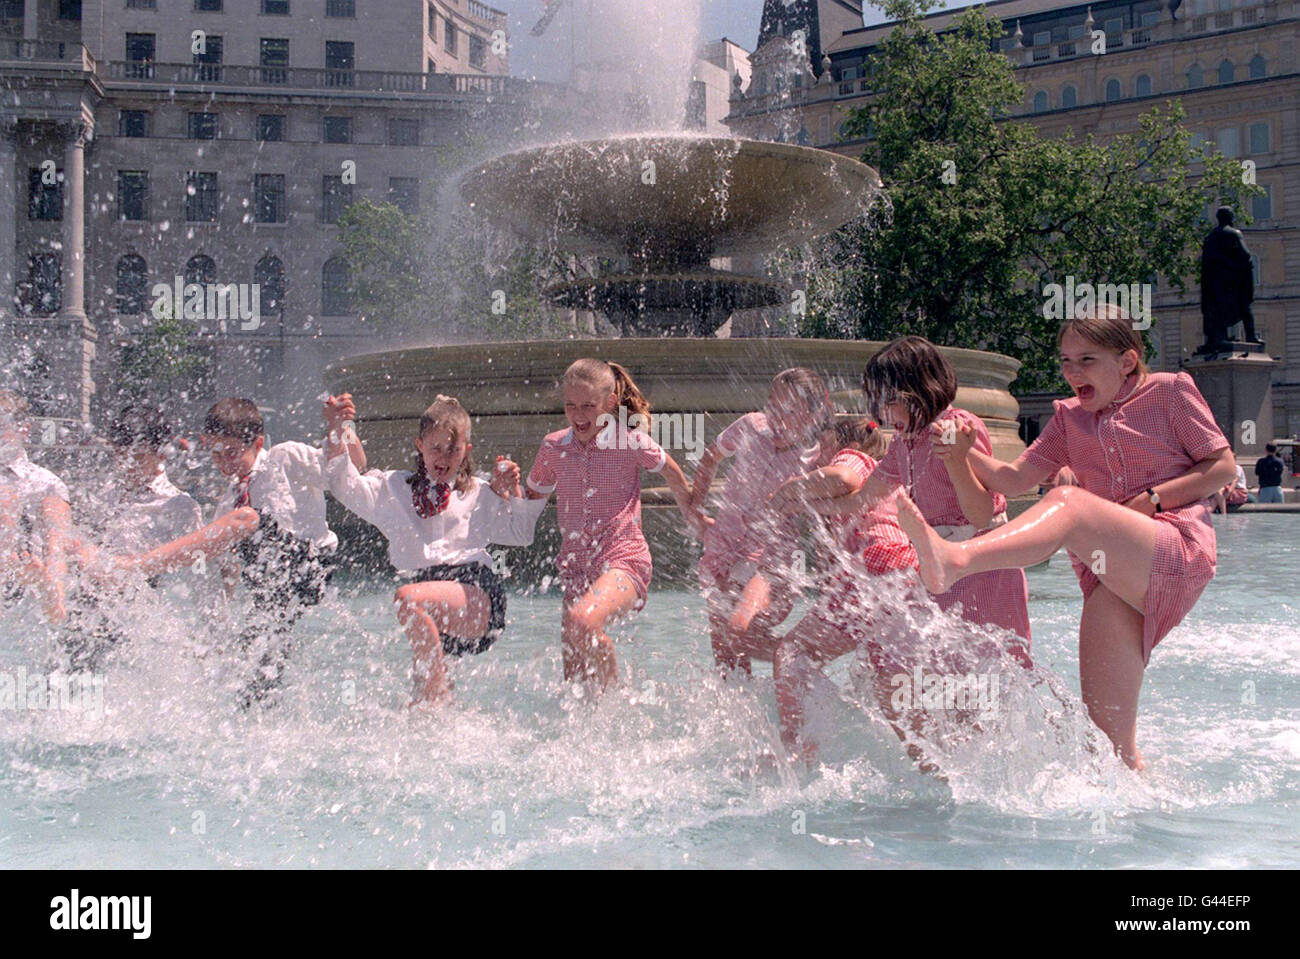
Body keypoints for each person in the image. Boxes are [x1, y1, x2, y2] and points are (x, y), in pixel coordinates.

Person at [891, 308, 1236, 770]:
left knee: (1068, 503)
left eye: (1087, 360)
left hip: (1175, 546)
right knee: (1109, 745)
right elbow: (1012, 480)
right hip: (1110, 577)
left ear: (1128, 361)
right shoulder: (1068, 419)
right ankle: (1143, 819)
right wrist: (962, 452)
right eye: (1066, 361)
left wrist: (1153, 499)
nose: (1072, 372)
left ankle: (956, 559)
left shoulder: (1171, 392)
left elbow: (1223, 468)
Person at [772, 336, 1032, 663]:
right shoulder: (903, 442)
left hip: (984, 568)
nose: (881, 414)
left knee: (988, 673)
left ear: (921, 389)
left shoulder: (955, 429)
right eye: (877, 403)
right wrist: (805, 504)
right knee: (915, 666)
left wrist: (956, 461)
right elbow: (863, 499)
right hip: (940, 566)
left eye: (888, 401)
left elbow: (981, 515)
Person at [324, 395, 546, 706]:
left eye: (453, 450)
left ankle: (437, 692)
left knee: (408, 600)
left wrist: (512, 491)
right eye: (436, 448)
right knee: (421, 710)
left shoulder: (478, 492)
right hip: (433, 601)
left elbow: (520, 534)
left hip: (475, 593)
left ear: (466, 450)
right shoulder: (393, 489)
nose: (444, 457)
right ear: (420, 444)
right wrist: (339, 429)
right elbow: (343, 484)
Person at [524, 358, 702, 694]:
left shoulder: (629, 441)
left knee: (582, 622)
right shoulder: (553, 447)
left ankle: (615, 705)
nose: (578, 415)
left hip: (624, 560)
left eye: (588, 406)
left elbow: (671, 471)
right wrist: (504, 486)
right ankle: (592, 728)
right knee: (574, 672)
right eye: (570, 405)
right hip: (577, 568)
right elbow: (532, 495)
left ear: (608, 404)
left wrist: (692, 515)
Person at [198, 394, 366, 707]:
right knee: (257, 641)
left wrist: (340, 426)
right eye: (216, 454)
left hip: (310, 564)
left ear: (258, 443)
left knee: (254, 523)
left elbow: (352, 467)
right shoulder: (227, 504)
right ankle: (258, 705)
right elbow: (226, 574)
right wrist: (213, 630)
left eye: (232, 453)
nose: (224, 463)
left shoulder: (284, 458)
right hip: (271, 584)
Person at [689, 368, 834, 674]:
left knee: (739, 627)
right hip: (724, 547)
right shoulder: (750, 427)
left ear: (812, 414)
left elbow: (829, 513)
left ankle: (799, 660)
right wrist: (695, 508)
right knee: (724, 648)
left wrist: (829, 571)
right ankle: (738, 710)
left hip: (770, 560)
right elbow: (710, 457)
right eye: (772, 405)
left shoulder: (814, 456)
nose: (776, 418)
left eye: (789, 410)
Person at [0, 389, 73, 623]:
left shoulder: (45, 484)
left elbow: (57, 545)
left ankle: (47, 592)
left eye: (2, 426)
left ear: (24, 429)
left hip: (23, 603)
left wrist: (48, 582)